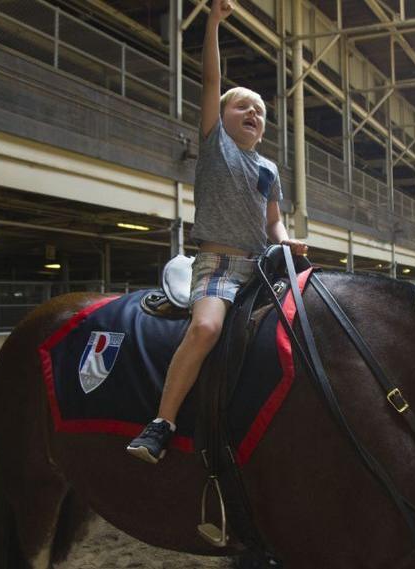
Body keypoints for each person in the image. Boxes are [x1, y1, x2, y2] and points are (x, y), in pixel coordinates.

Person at [128, 0, 308, 463]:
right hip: (219, 267)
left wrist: (285, 238)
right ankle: (161, 423)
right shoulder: (215, 148)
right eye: (242, 106)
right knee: (207, 327)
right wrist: (212, 23)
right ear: (221, 119)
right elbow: (210, 80)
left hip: (261, 265)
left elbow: (272, 220)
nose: (253, 112)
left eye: (260, 111)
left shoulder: (269, 167)